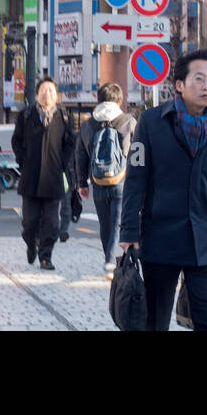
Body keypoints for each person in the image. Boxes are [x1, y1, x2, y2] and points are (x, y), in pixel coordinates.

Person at [119, 49, 207, 331]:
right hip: (161, 237)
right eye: (199, 79)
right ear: (179, 85)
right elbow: (135, 179)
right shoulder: (151, 122)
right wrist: (128, 233)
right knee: (155, 322)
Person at [12, 76, 76, 270]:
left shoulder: (64, 116)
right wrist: (24, 161)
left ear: (56, 95)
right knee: (29, 222)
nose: (46, 94)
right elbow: (16, 141)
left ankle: (45, 256)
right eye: (43, 90)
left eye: (50, 91)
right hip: (30, 178)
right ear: (37, 93)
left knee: (51, 223)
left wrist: (61, 164)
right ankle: (31, 245)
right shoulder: (26, 115)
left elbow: (70, 143)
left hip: (53, 178)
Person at [74, 82, 136, 276]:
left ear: (98, 99)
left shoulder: (87, 125)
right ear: (119, 100)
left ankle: (110, 260)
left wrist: (82, 183)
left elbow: (80, 156)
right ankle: (112, 262)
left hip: (98, 182)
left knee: (105, 225)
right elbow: (138, 154)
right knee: (118, 223)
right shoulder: (128, 121)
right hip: (121, 182)